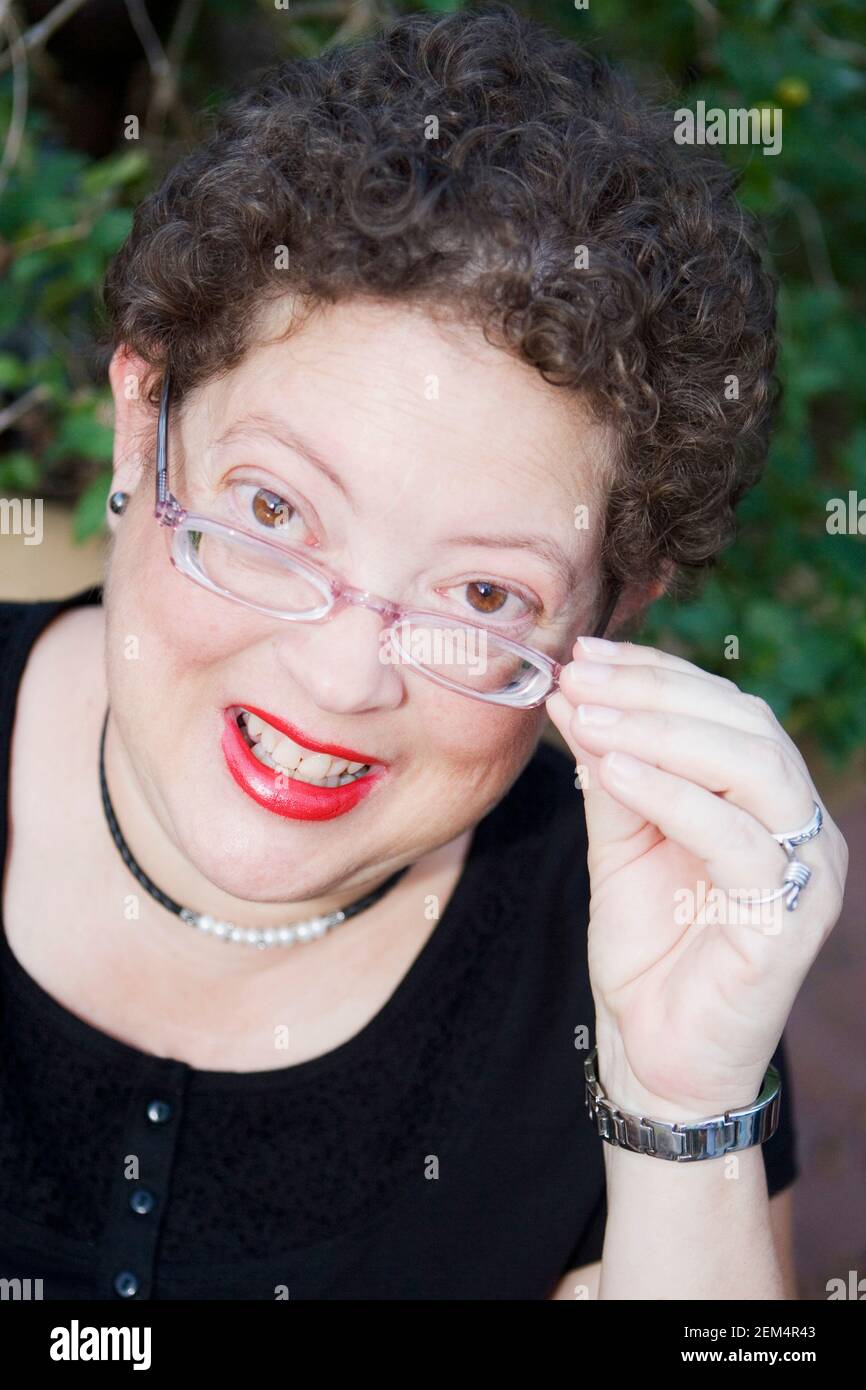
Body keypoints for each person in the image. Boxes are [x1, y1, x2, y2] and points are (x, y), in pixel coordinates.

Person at [0, 3, 847, 1300]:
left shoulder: (617, 948)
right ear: (139, 430)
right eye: (274, 510)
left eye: (484, 592)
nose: (344, 677)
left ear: (607, 617)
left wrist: (678, 1107)